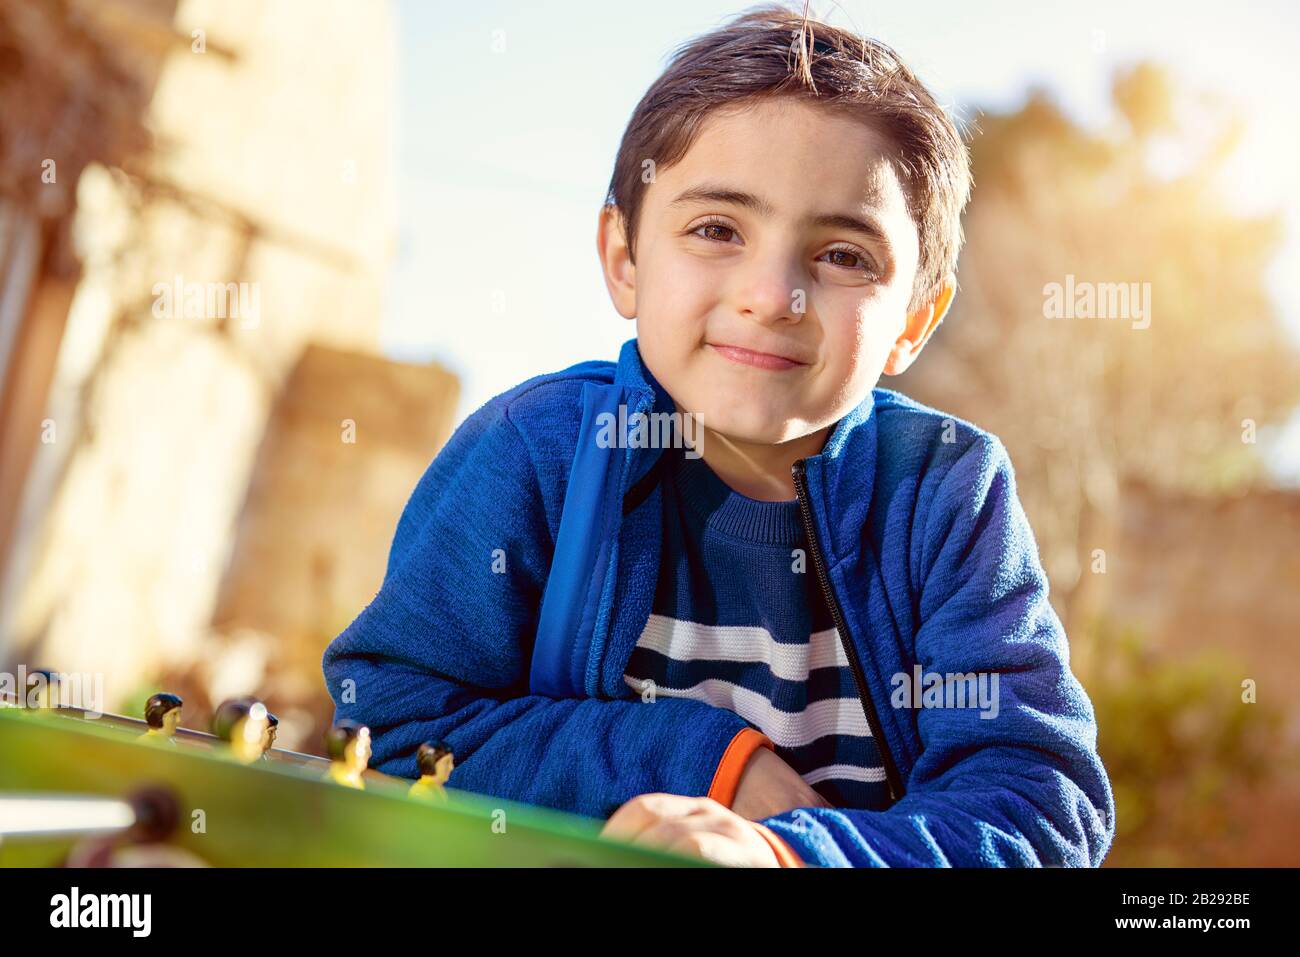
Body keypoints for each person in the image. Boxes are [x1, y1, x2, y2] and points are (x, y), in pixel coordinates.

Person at [322, 4, 1115, 868]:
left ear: (915, 320)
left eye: (844, 254)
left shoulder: (945, 492)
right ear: (624, 257)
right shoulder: (534, 451)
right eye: (717, 230)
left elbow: (1041, 805)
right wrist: (711, 762)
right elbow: (393, 721)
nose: (773, 294)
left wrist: (787, 855)